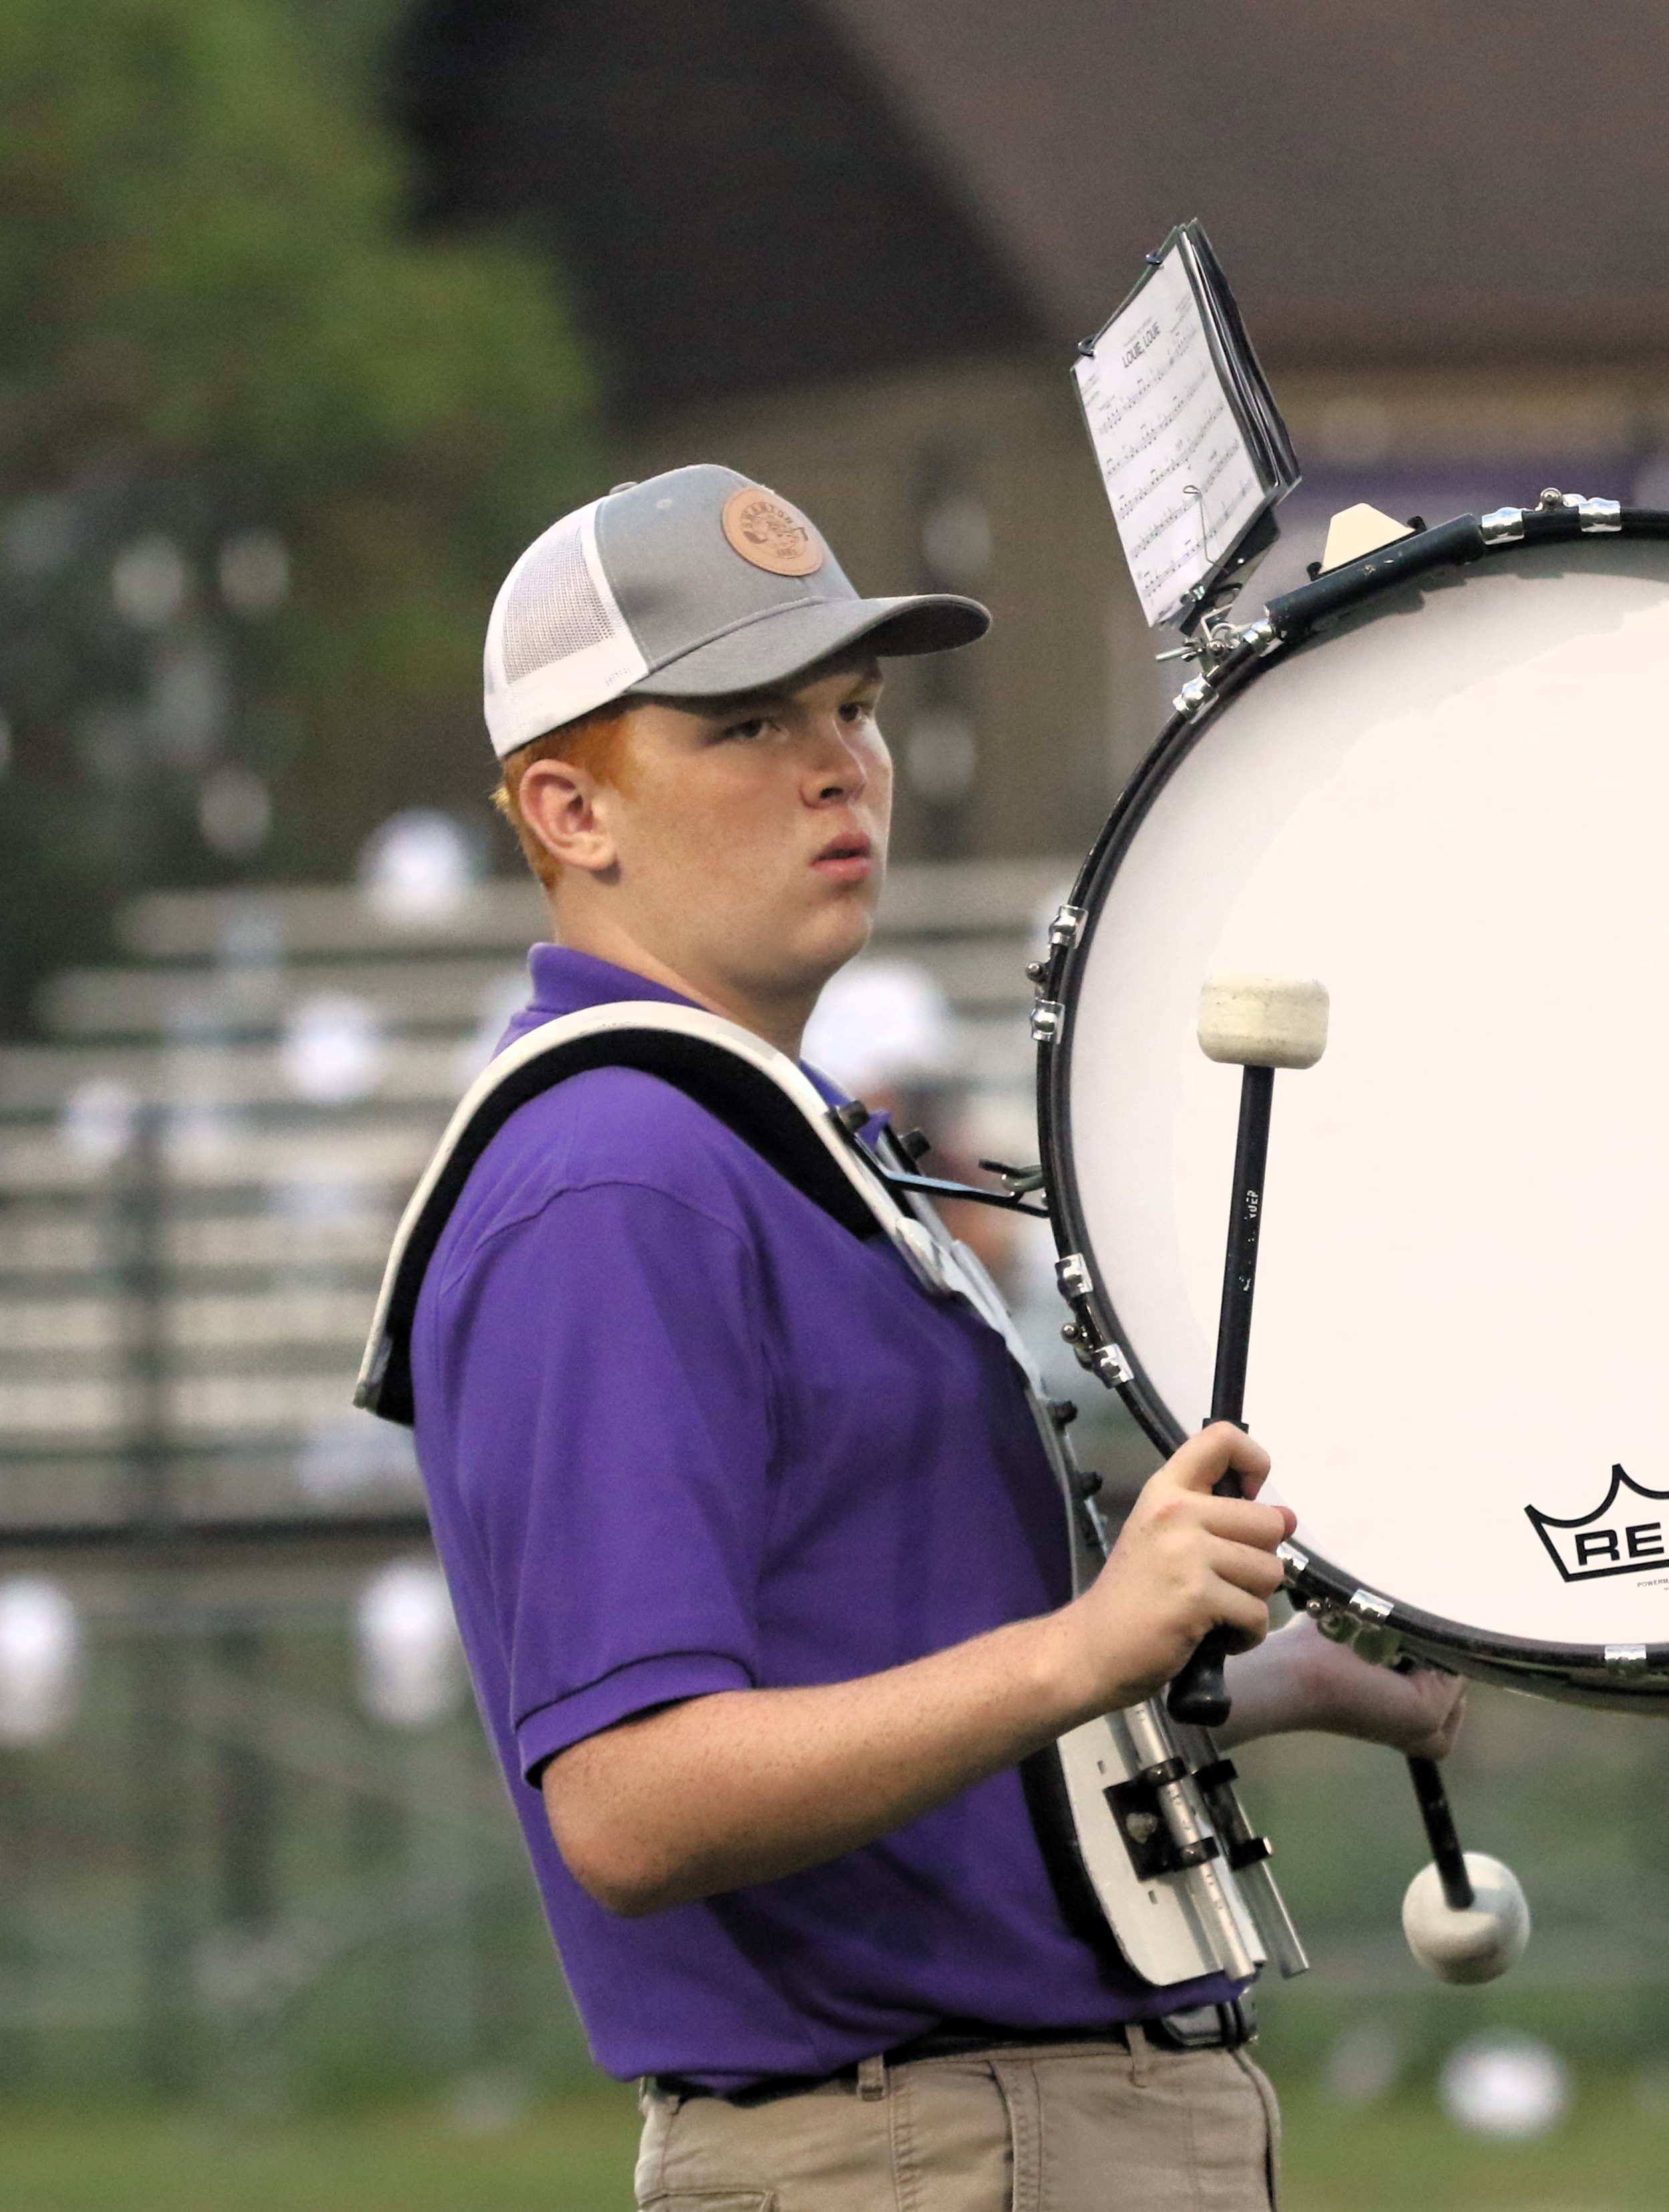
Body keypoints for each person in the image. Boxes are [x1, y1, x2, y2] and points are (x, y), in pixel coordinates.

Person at [405, 465, 1462, 2211]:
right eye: (745, 723)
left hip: (1007, 2133)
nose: (839, 764)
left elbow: (909, 1683)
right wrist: (1081, 1645)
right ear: (570, 810)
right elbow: (633, 1796)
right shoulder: (618, 1173)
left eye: (853, 708)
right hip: (922, 2149)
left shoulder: (778, 1143)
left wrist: (1260, 1671)